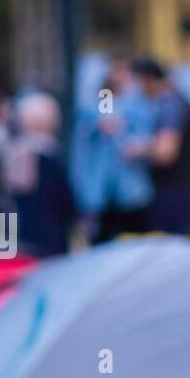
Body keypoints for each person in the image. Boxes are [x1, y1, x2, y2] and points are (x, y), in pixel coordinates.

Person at [71, 56, 154, 243]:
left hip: (130, 187)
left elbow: (141, 131)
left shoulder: (136, 98)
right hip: (105, 188)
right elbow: (103, 120)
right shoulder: (105, 97)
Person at [129, 57, 190, 236]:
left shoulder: (170, 105)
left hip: (169, 195)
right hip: (175, 192)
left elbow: (165, 151)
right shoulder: (177, 102)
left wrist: (136, 149)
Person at [3, 92, 73, 258]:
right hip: (49, 232)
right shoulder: (48, 152)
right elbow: (62, 197)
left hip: (20, 230)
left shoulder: (13, 149)